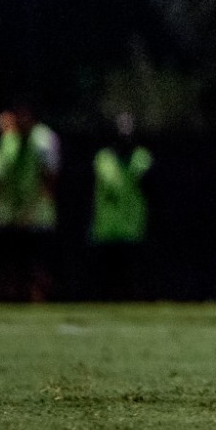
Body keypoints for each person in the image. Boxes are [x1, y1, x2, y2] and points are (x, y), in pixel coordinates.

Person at [0, 104, 60, 302]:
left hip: (37, 214)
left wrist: (31, 211)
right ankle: (10, 301)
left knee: (37, 264)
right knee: (10, 265)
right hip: (11, 215)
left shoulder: (43, 139)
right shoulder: (8, 139)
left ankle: (40, 301)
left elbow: (49, 179)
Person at [88, 112, 153, 300]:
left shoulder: (142, 158)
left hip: (132, 228)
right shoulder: (103, 158)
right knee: (106, 280)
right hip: (106, 228)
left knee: (132, 281)